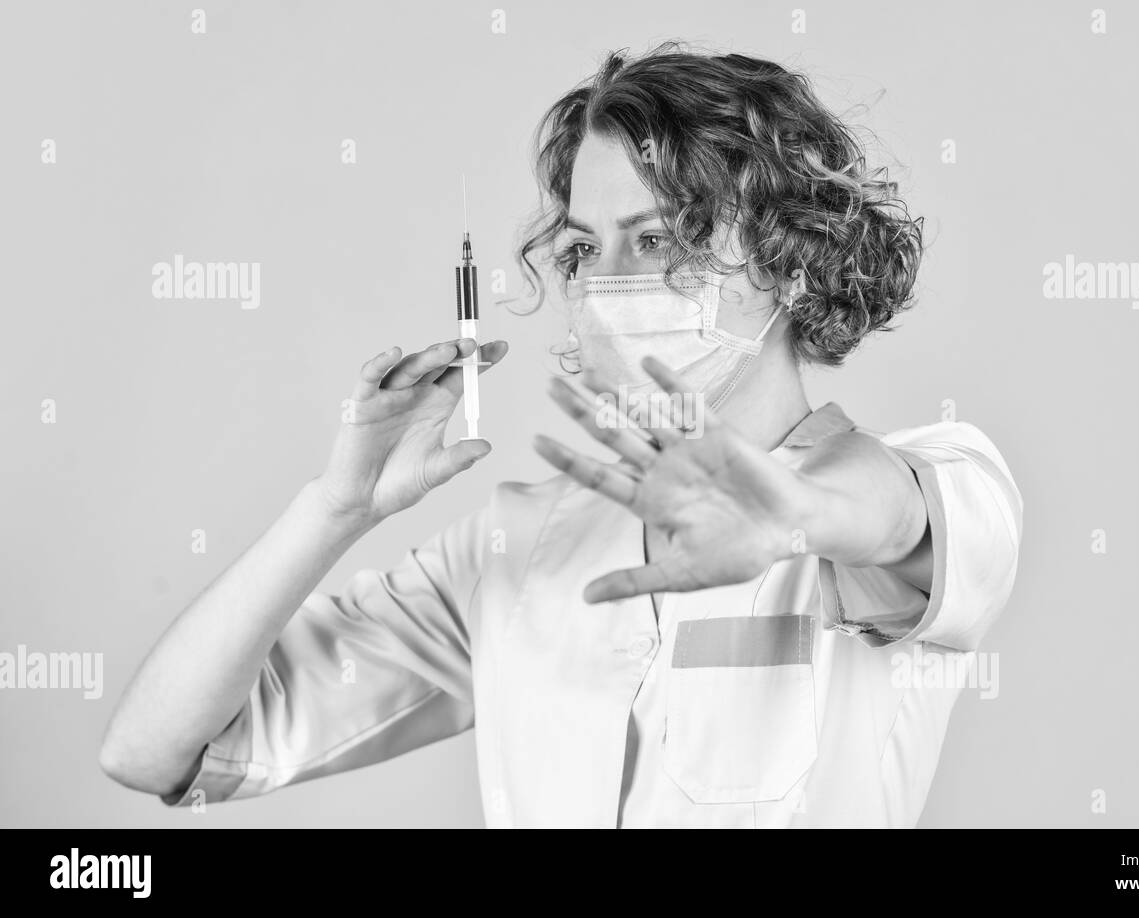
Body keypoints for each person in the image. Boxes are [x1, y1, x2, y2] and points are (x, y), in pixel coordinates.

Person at [100, 45, 1023, 828]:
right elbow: (158, 751)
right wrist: (333, 510)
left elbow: (892, 516)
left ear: (791, 257)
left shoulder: (915, 491)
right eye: (584, 249)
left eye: (657, 240)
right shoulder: (515, 549)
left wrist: (794, 518)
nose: (607, 282)